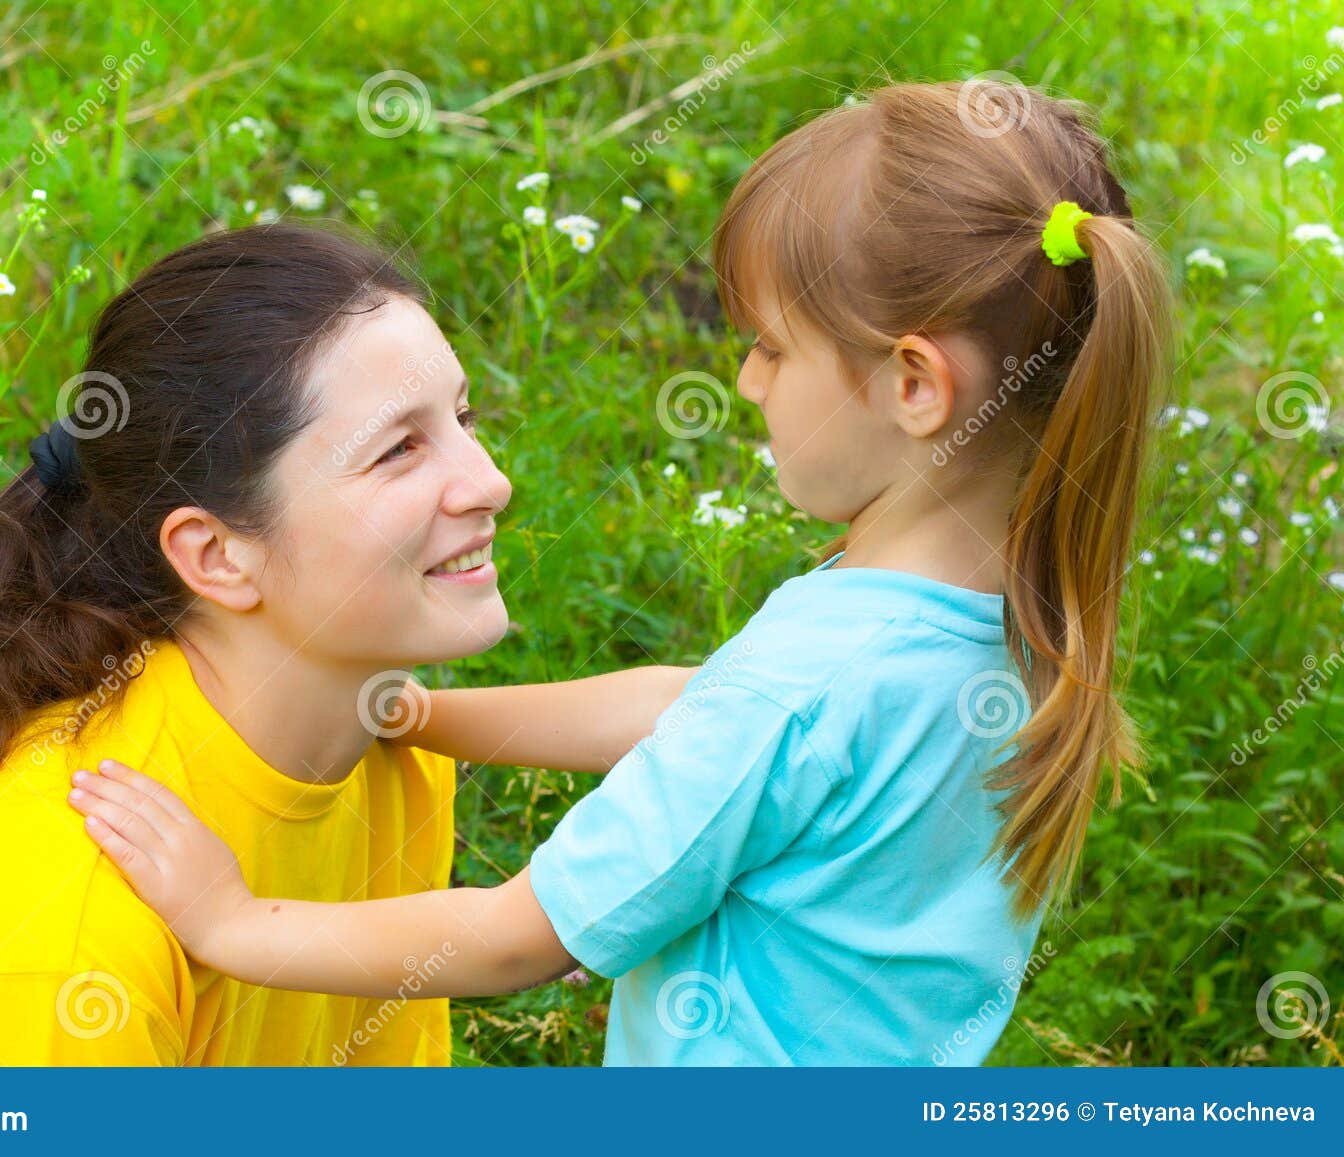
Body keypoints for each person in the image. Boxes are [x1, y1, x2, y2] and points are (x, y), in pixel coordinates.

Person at [67, 80, 1174, 1065]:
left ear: (915, 386)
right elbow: (695, 708)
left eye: (771, 346)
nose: (747, 382)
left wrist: (233, 921)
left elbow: (515, 938)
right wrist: (432, 716)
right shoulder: (1008, 620)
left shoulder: (807, 684)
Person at [0, 221, 686, 1065]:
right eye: (399, 448)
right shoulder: (62, 929)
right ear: (217, 555)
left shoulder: (390, 752)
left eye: (463, 418)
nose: (490, 481)